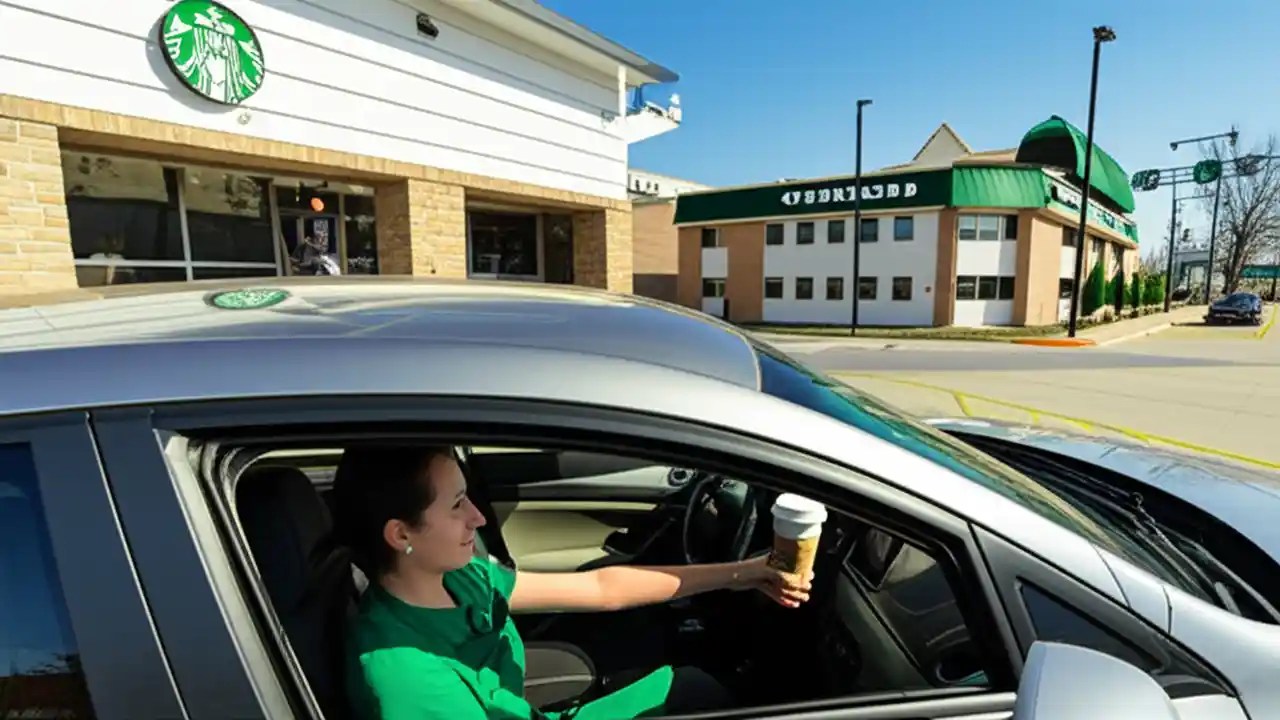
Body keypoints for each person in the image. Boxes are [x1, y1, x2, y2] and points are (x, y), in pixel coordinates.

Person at [332, 445, 813, 720]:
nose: (477, 517)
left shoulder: (462, 580)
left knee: (686, 688)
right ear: (400, 534)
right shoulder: (405, 681)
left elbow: (603, 590)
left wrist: (743, 573)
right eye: (457, 504)